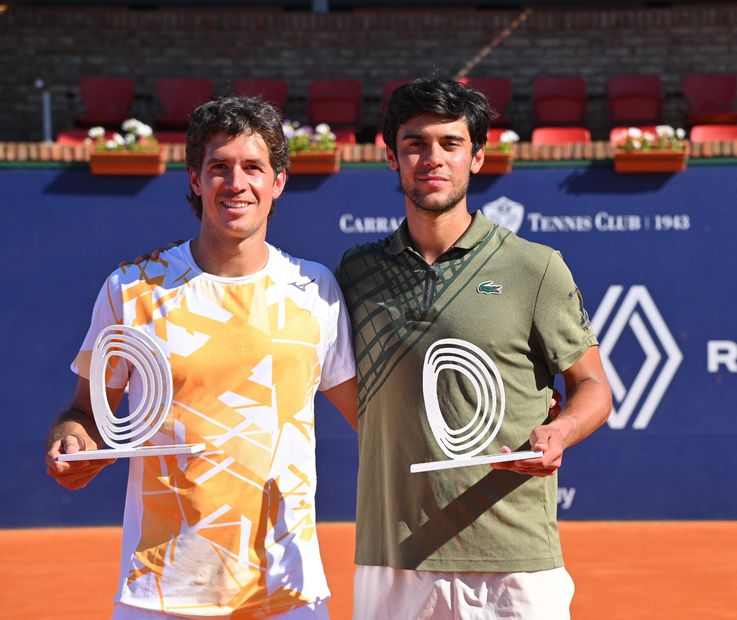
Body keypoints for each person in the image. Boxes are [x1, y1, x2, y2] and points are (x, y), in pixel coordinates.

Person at [45, 96, 358, 620]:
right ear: (195, 179)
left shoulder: (315, 290)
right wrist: (71, 442)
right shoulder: (132, 289)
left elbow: (369, 419)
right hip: (161, 591)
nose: (236, 183)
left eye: (253, 167)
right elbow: (85, 414)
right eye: (219, 167)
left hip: (287, 590)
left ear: (277, 182)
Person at [335, 75, 612, 619]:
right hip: (395, 558)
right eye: (415, 144)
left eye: (450, 143)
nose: (431, 158)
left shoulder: (535, 267)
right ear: (391, 157)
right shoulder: (356, 273)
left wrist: (561, 430)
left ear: (478, 156)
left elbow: (594, 386)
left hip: (513, 560)